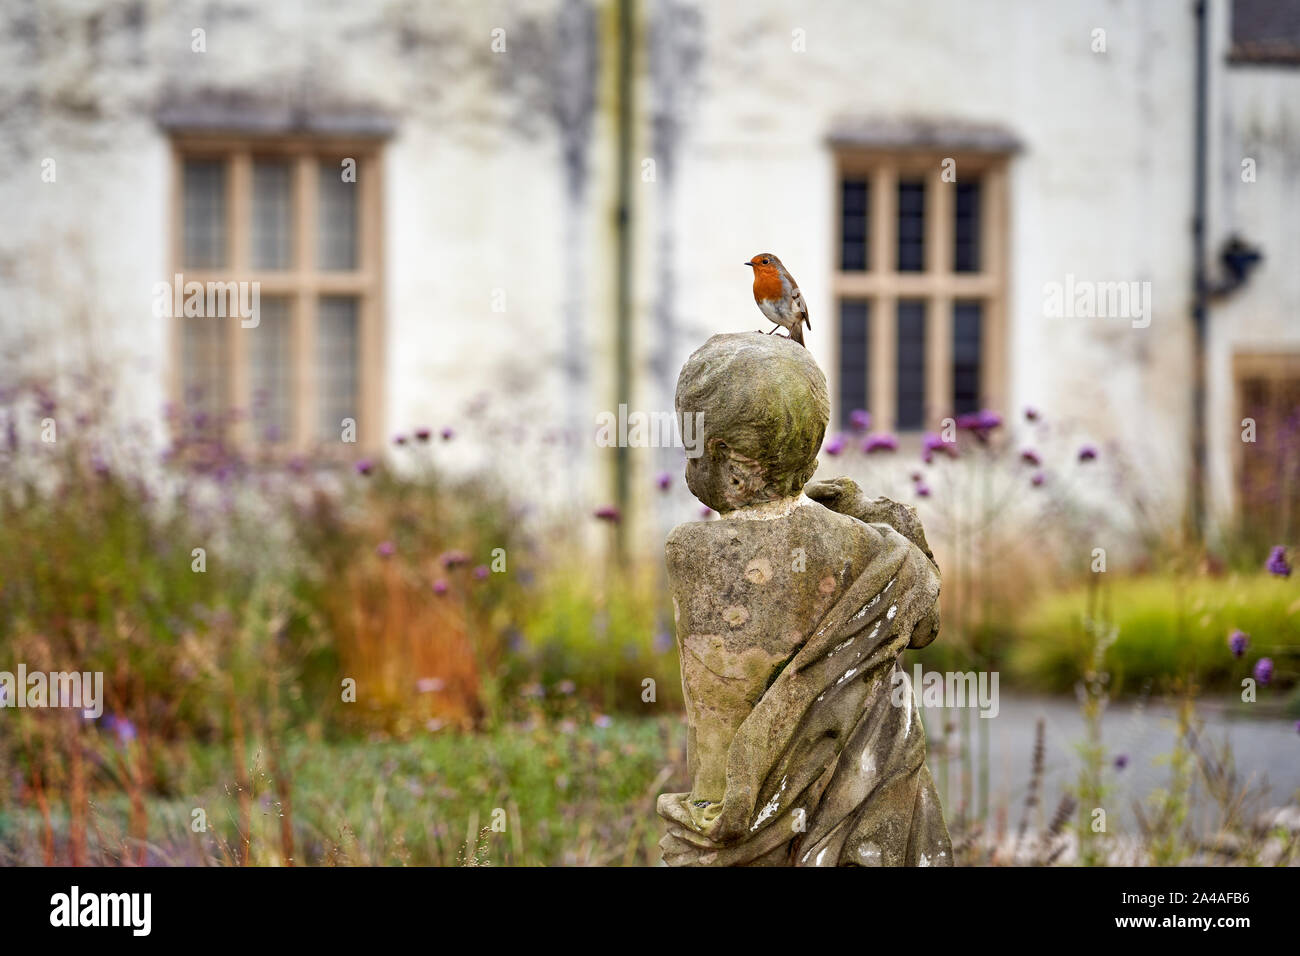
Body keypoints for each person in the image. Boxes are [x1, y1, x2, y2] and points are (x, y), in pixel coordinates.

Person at [658, 332, 952, 866]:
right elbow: (924, 622)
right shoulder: (874, 548)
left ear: (732, 464)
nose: (686, 467)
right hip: (866, 824)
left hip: (743, 832)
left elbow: (718, 742)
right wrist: (878, 520)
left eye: (692, 448)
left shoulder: (692, 550)